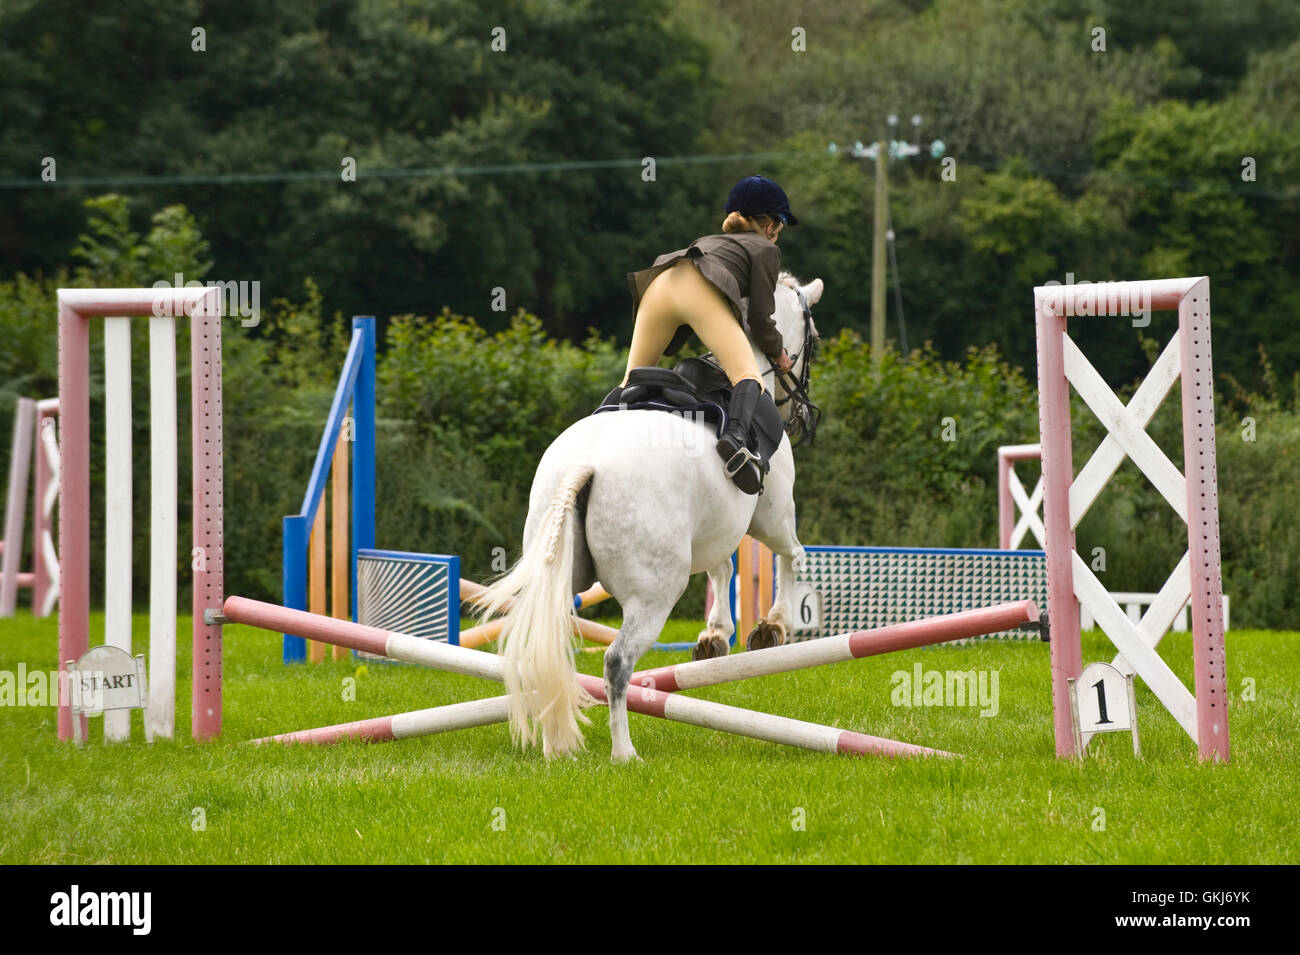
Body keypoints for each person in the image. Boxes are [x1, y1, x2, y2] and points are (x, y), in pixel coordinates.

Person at [614, 175, 799, 494]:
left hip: (659, 283)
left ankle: (598, 423)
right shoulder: (765, 250)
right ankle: (736, 444)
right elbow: (759, 317)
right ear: (771, 225)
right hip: (697, 288)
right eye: (780, 228)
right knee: (748, 377)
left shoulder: (709, 240)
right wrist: (779, 353)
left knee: (630, 379)